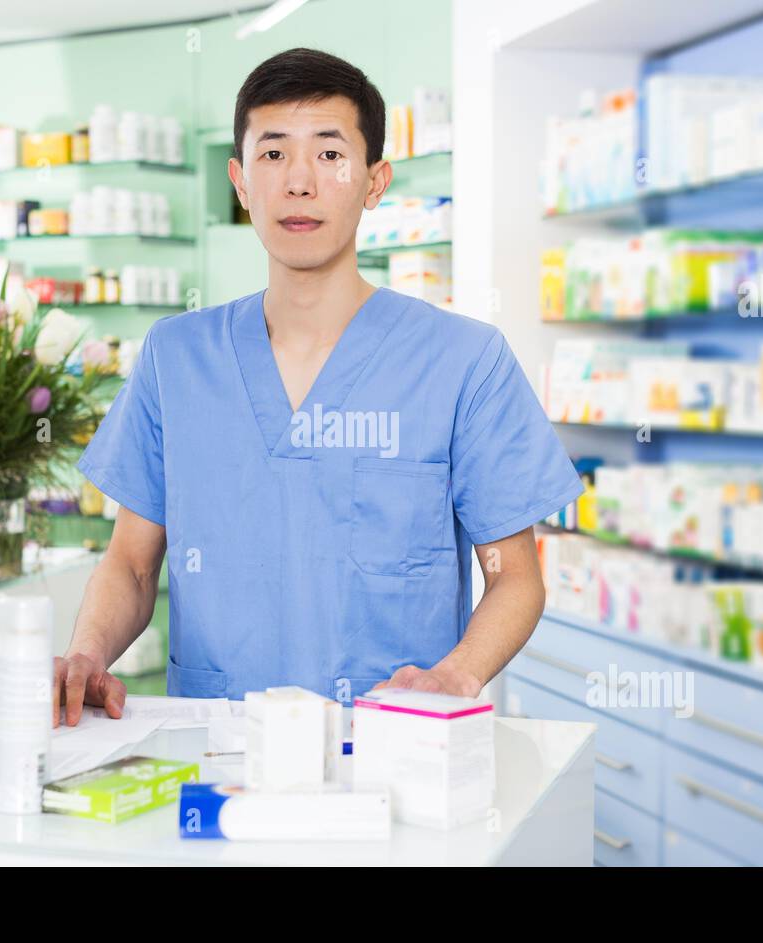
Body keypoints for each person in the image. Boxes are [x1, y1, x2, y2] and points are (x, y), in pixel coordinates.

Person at [54, 47, 582, 726]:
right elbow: (130, 563)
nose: (299, 182)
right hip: (217, 749)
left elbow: (515, 577)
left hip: (391, 746)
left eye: (330, 154)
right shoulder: (176, 357)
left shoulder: (463, 361)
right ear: (241, 181)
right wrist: (87, 654)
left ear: (374, 181)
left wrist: (457, 675)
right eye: (273, 155)